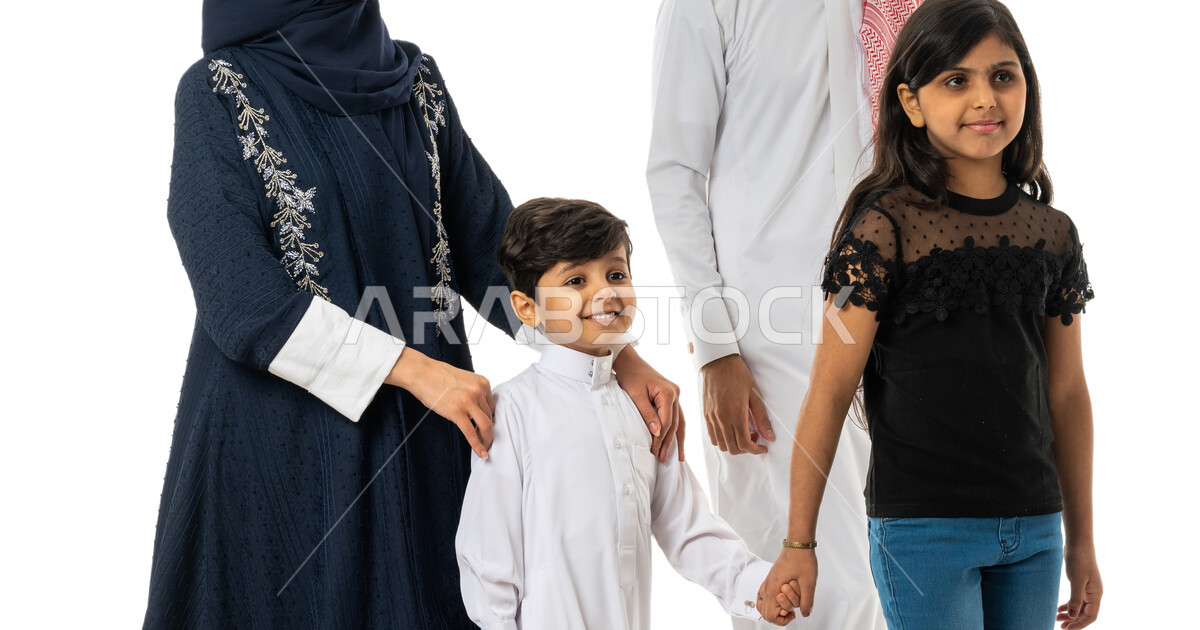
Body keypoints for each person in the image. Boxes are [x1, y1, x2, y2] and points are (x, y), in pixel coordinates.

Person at [145, 2, 685, 627]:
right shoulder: (220, 87)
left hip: (422, 432)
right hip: (283, 444)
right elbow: (238, 295)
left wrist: (621, 361)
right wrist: (418, 372)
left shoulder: (414, 83)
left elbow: (495, 254)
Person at [757, 1, 1103, 628]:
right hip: (923, 531)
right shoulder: (881, 230)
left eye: (1004, 75)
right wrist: (799, 543)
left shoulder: (1053, 236)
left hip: (1035, 529)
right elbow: (830, 391)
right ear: (911, 104)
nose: (984, 99)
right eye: (956, 80)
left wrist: (1081, 541)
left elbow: (1068, 390)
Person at [646, 1, 914, 628]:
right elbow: (674, 172)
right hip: (769, 332)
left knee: (900, 567)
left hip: (906, 316)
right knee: (797, 580)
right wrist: (716, 349)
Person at [455, 198, 802, 629]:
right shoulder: (512, 411)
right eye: (576, 279)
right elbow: (489, 556)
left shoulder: (645, 410)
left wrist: (758, 588)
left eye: (616, 273)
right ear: (528, 309)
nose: (605, 291)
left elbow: (688, 528)